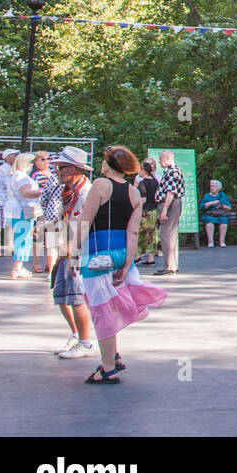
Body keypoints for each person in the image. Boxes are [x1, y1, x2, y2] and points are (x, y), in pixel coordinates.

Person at [68, 145, 168, 385]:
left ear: (108, 164)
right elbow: (133, 233)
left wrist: (72, 254)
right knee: (109, 305)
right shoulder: (134, 193)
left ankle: (108, 368)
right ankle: (112, 355)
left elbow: (85, 220)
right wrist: (127, 263)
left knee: (101, 308)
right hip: (121, 253)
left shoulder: (101, 185)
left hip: (98, 252)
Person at [51, 147, 96, 359]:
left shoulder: (87, 192)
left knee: (76, 297)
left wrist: (73, 247)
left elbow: (88, 223)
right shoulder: (68, 192)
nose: (57, 170)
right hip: (64, 251)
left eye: (61, 167)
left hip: (79, 253)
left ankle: (86, 343)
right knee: (60, 296)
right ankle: (76, 335)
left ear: (74, 169)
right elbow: (65, 219)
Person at [5, 152, 42, 279]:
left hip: (16, 210)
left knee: (21, 238)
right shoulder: (21, 176)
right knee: (23, 239)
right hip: (22, 211)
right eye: (31, 162)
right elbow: (26, 192)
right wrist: (41, 192)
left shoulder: (14, 175)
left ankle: (18, 266)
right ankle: (16, 268)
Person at [32, 149, 64, 273]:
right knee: (44, 239)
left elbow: (44, 197)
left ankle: (50, 268)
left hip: (51, 210)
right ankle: (40, 264)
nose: (47, 162)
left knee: (52, 242)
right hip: (48, 210)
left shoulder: (52, 176)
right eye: (43, 159)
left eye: (48, 159)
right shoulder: (36, 175)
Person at [155, 151, 185, 275]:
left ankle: (168, 265)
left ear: (167, 158)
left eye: (160, 159)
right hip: (174, 203)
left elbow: (170, 192)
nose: (159, 161)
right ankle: (172, 264)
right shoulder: (174, 170)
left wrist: (164, 210)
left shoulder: (171, 171)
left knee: (166, 234)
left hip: (170, 204)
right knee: (171, 234)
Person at [0, 148, 18, 256]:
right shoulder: (6, 169)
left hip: (3, 201)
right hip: (3, 201)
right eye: (14, 155)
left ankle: (9, 247)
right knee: (1, 224)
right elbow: (9, 185)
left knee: (6, 224)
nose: (16, 158)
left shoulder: (6, 168)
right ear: (8, 157)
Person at [134, 159, 162, 266]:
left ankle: (137, 256)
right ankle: (150, 257)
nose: (138, 172)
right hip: (154, 210)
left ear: (144, 170)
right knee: (152, 233)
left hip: (145, 211)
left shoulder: (143, 183)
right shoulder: (155, 181)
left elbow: (143, 198)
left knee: (140, 232)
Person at [200, 180, 231, 248]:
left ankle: (222, 242)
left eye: (214, 186)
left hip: (220, 214)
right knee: (209, 221)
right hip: (210, 214)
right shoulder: (207, 196)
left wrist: (222, 205)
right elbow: (202, 207)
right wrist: (211, 203)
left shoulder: (222, 195)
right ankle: (210, 242)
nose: (211, 188)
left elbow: (229, 207)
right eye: (211, 186)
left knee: (224, 220)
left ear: (218, 188)